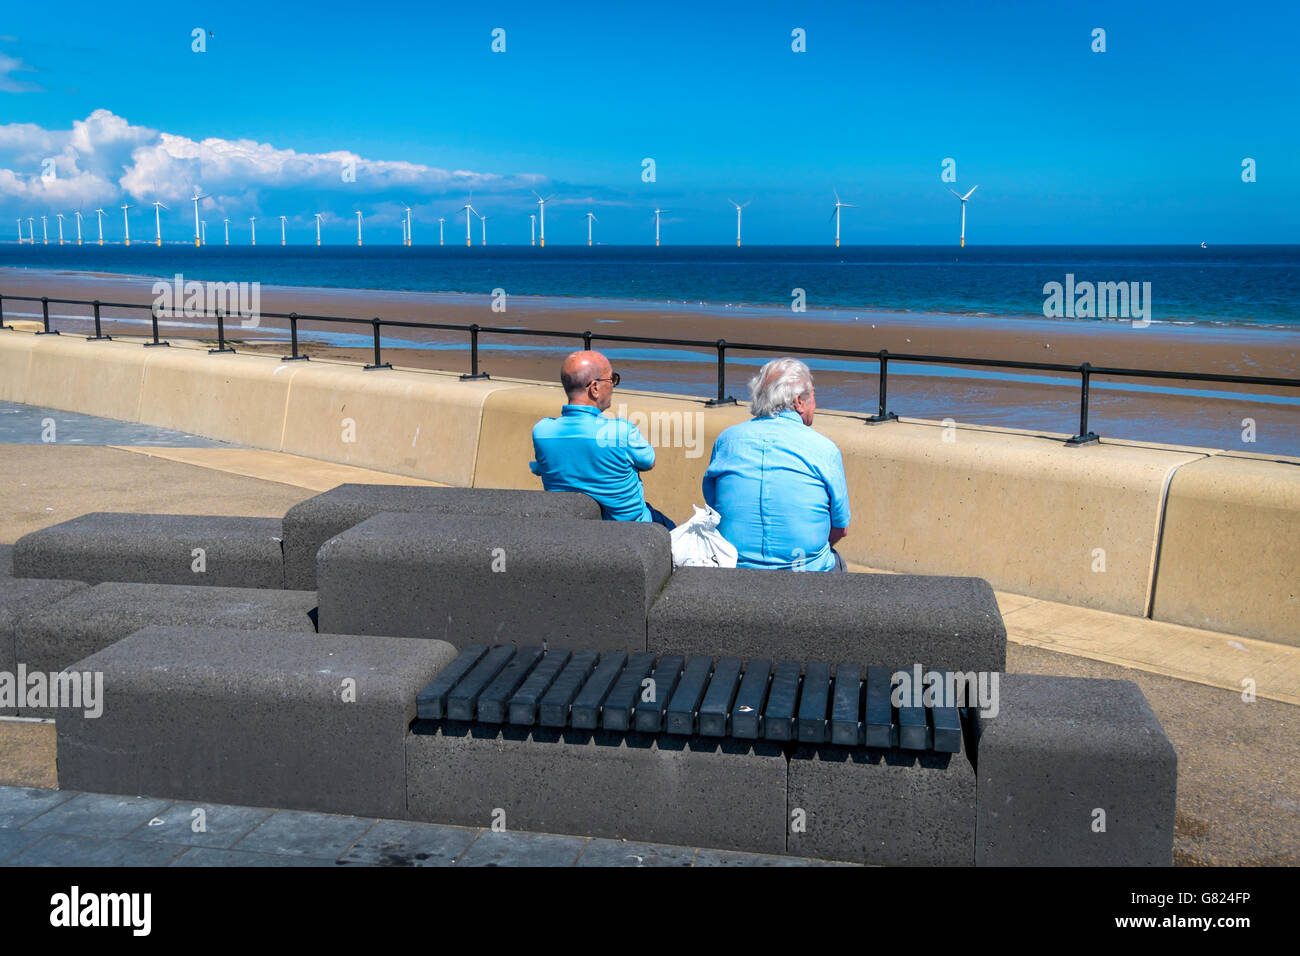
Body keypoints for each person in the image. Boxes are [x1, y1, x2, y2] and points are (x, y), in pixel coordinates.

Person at [703, 358, 850, 571]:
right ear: (800, 401)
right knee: (836, 563)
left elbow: (716, 508)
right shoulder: (824, 450)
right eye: (814, 397)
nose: (815, 406)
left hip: (734, 570)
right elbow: (841, 528)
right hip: (804, 573)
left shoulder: (727, 441)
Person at [530, 350, 675, 528]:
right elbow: (649, 462)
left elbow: (543, 466)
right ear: (595, 388)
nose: (613, 386)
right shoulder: (622, 432)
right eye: (611, 379)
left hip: (568, 526)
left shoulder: (542, 431)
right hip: (632, 529)